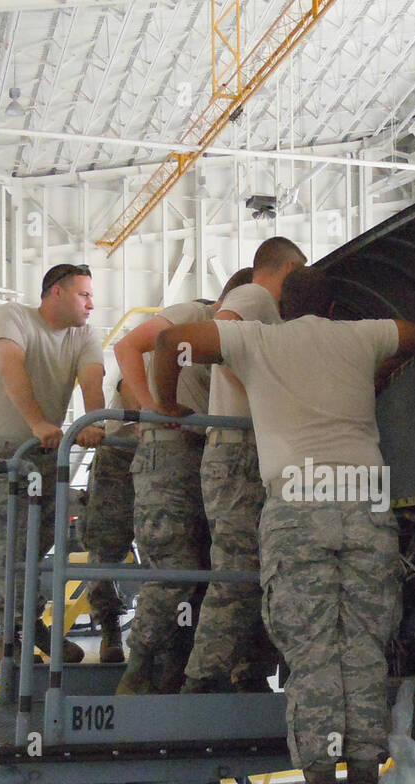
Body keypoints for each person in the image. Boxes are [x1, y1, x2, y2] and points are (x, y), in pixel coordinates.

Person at [152, 266, 415, 784]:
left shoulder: (260, 339)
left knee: (313, 653)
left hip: (299, 504)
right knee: (363, 648)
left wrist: (169, 407)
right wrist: (373, 375)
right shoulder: (360, 336)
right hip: (364, 503)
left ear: (281, 304)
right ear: (333, 306)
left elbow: (169, 342)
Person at [112, 268, 254, 692]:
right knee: (176, 568)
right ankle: (138, 666)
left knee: (205, 572)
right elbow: (129, 346)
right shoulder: (196, 314)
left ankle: (176, 667)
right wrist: (154, 408)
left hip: (206, 453)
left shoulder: (234, 335)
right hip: (171, 452)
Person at [176, 236, 306, 695]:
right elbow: (224, 333)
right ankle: (201, 681)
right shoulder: (254, 296)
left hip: (249, 450)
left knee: (257, 569)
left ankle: (246, 671)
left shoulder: (264, 306)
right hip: (238, 450)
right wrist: (258, 390)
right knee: (237, 569)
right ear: (288, 268)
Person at [0, 263, 106, 666]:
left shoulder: (83, 335)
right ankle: (14, 634)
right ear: (56, 293)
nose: (91, 303)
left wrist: (92, 425)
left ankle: (24, 627)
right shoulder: (13, 318)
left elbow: (92, 382)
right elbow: (11, 369)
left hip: (47, 449)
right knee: (11, 541)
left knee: (41, 540)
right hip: (5, 449)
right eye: (83, 294)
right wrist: (37, 422)